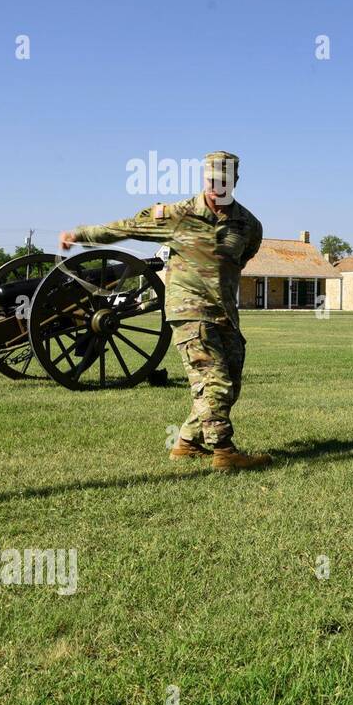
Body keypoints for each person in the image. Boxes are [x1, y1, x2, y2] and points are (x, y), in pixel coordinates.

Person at [59, 151, 272, 470]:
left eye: (224, 180)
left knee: (230, 382)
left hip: (224, 313)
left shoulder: (248, 225)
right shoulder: (177, 215)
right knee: (214, 379)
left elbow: (244, 257)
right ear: (204, 178)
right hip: (188, 311)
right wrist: (80, 235)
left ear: (235, 182)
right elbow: (127, 227)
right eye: (212, 179)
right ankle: (225, 452)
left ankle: (186, 442)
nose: (217, 185)